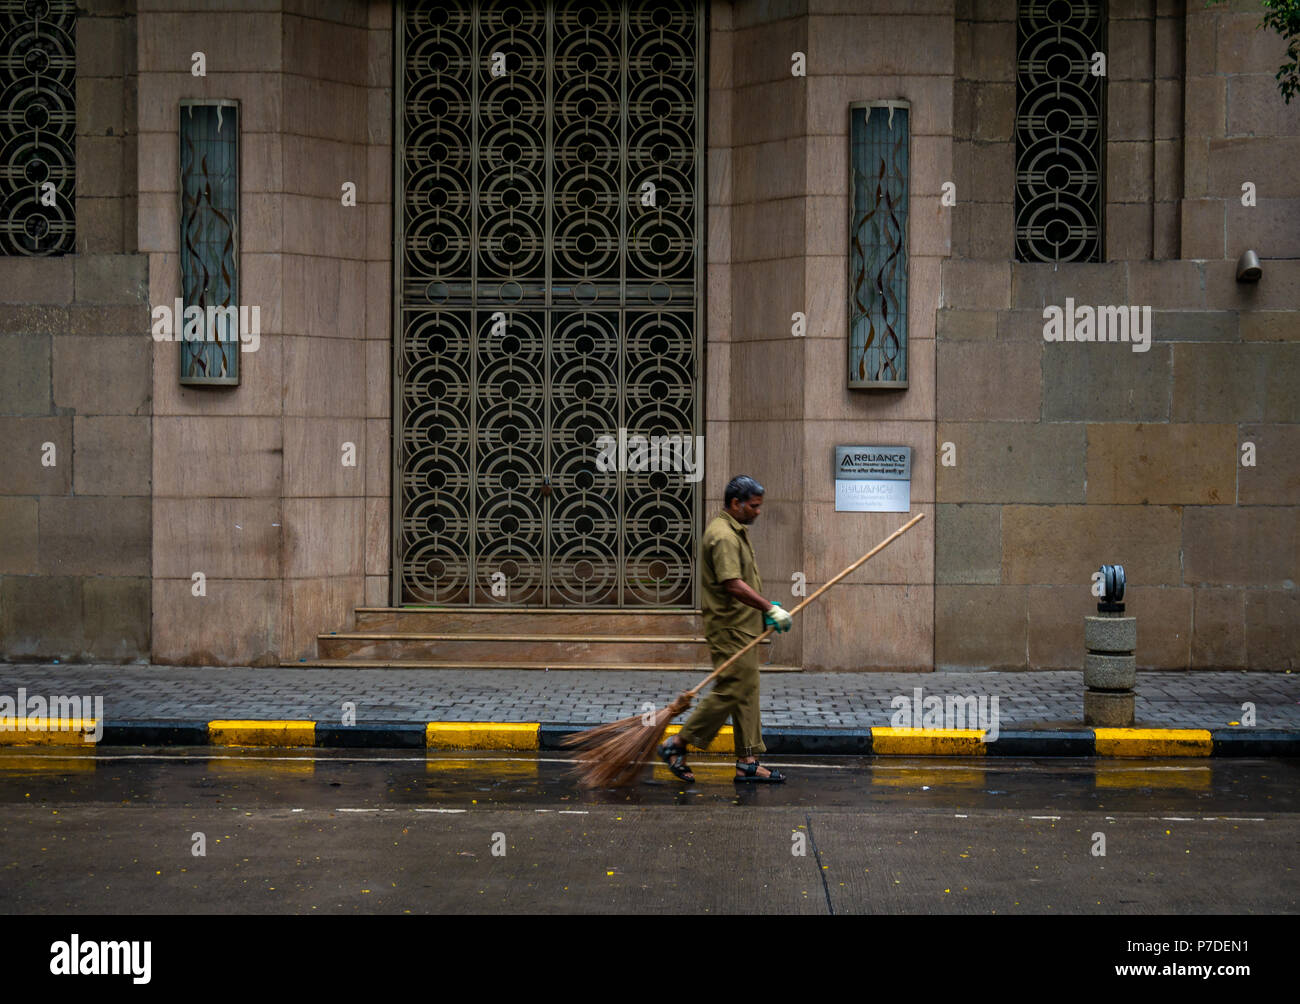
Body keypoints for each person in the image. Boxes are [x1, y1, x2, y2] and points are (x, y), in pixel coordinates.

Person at [658, 475, 792, 783]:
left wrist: (764, 609)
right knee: (733, 689)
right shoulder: (723, 536)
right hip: (729, 629)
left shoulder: (734, 531)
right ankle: (678, 743)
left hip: (742, 626)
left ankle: (747, 761)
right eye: (754, 506)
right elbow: (732, 584)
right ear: (736, 503)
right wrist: (768, 608)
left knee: (746, 691)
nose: (759, 512)